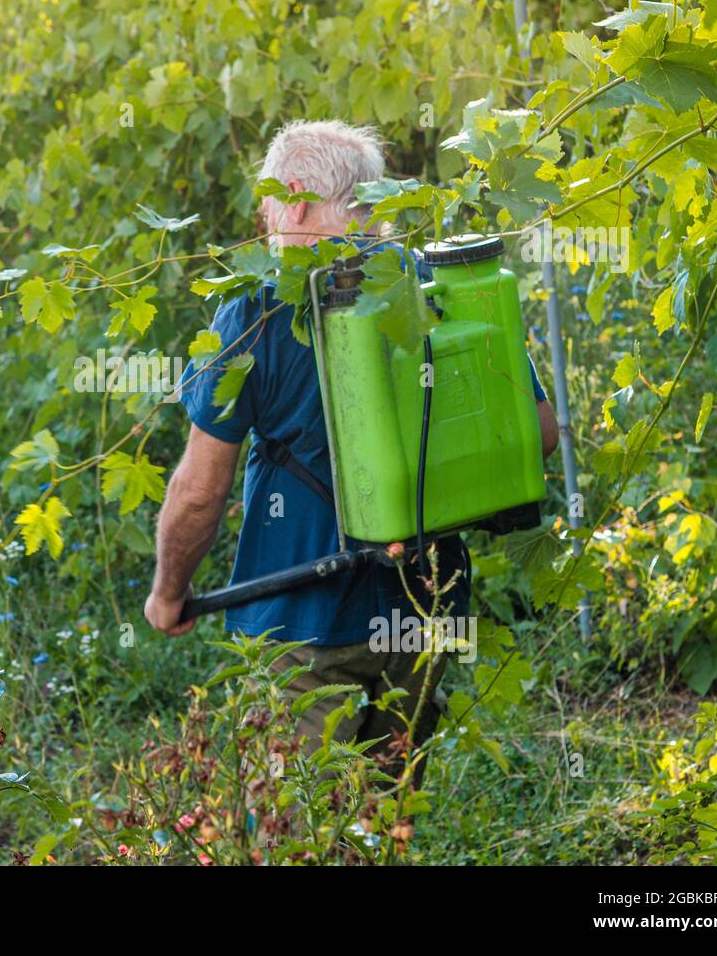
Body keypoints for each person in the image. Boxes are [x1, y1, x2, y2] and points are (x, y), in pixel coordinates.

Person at [144, 120, 558, 781]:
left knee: (303, 833)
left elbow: (198, 494)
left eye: (269, 203)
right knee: (385, 823)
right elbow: (539, 431)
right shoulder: (438, 285)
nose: (265, 220)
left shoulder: (255, 310)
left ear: (298, 196)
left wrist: (168, 591)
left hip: (301, 627)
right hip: (427, 613)